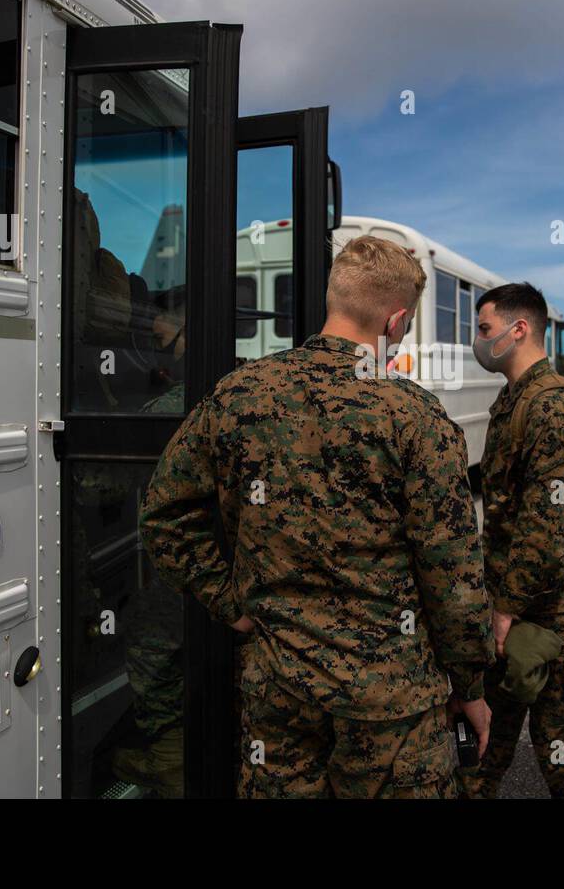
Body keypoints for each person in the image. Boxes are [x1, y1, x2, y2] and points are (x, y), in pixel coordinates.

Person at [140, 235, 494, 798]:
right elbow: (453, 575)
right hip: (391, 703)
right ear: (396, 321)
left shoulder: (239, 395)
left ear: (334, 301)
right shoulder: (415, 416)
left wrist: (230, 603)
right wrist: (470, 684)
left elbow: (163, 515)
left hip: (278, 686)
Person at [464, 283, 564, 799]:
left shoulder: (551, 407)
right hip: (517, 600)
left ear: (518, 329)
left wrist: (505, 608)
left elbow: (549, 526)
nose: (478, 341)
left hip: (554, 612)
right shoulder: (515, 397)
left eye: (484, 330)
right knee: (481, 740)